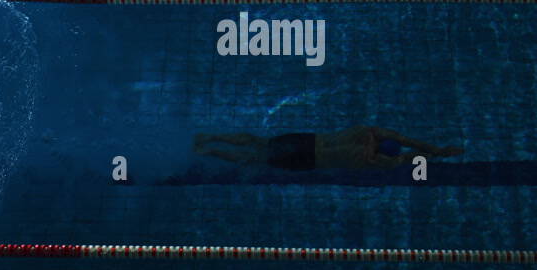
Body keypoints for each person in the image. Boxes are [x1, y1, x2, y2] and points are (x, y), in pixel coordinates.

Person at [193, 125, 463, 171]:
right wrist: (435, 156)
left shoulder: (368, 132)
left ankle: (210, 137)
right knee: (255, 160)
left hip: (307, 140)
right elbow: (406, 157)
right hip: (309, 159)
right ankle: (211, 153)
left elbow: (407, 141)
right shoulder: (370, 160)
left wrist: (437, 149)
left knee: (260, 143)